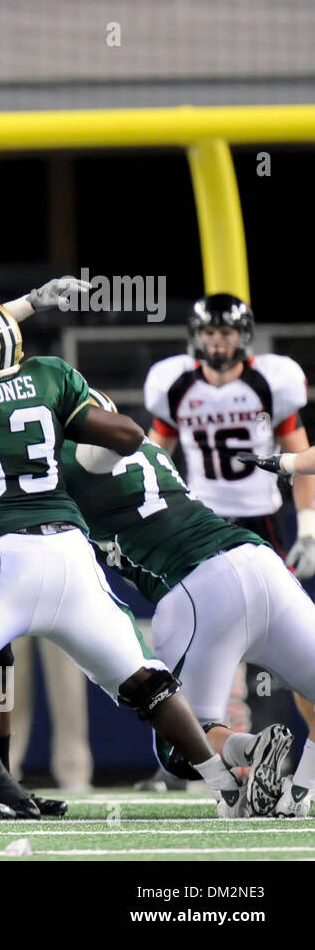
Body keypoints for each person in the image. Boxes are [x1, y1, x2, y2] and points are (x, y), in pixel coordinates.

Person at [0, 299, 246, 821]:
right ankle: (226, 787)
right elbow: (129, 436)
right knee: (145, 680)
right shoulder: (48, 377)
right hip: (70, 557)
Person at [59, 391, 311, 816]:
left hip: (195, 587)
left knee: (181, 742)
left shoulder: (73, 456)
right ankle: (302, 792)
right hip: (260, 561)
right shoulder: (151, 451)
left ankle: (250, 752)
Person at [144, 292, 315, 780]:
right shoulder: (176, 386)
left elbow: (300, 457)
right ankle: (197, 749)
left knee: (287, 648)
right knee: (194, 642)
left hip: (261, 522)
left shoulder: (269, 383)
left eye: (227, 333)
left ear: (244, 336)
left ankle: (285, 757)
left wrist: (307, 526)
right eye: (212, 333)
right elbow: (153, 458)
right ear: (198, 337)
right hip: (200, 524)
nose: (219, 343)